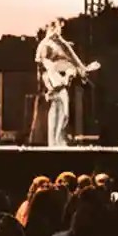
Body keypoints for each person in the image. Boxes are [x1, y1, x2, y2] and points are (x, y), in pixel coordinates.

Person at [35, 19, 90, 148]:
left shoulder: (59, 44)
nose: (59, 31)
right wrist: (48, 84)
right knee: (58, 110)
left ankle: (57, 141)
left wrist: (76, 71)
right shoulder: (46, 46)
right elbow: (43, 66)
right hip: (53, 83)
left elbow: (71, 58)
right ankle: (54, 142)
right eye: (58, 28)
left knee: (63, 112)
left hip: (59, 83)